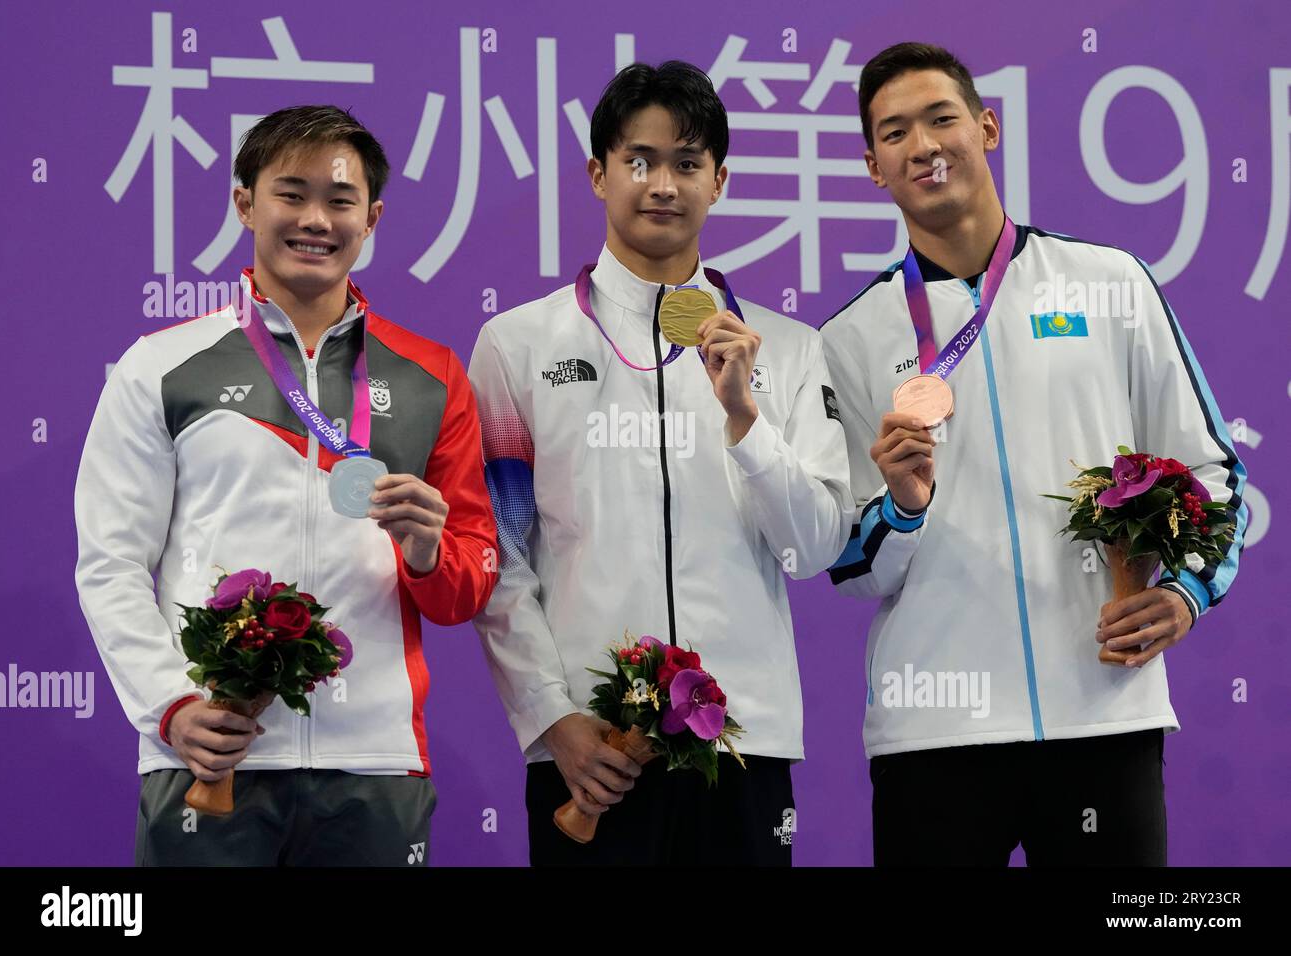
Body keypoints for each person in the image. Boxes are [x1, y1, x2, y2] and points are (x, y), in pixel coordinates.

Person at [820, 42, 1248, 866]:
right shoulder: (852, 338)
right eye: (896, 132)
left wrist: (1190, 589)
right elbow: (845, 559)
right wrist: (902, 507)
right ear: (874, 166)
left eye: (942, 118)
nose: (924, 144)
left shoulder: (1110, 284)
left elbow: (1212, 470)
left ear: (987, 127)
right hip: (933, 730)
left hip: (1103, 711)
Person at [75, 105, 497, 866]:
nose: (315, 220)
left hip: (374, 764)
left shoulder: (433, 376)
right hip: (210, 758)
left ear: (371, 218)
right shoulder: (161, 364)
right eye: (290, 194)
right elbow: (109, 562)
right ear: (246, 203)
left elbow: (466, 590)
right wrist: (171, 707)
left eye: (340, 201)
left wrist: (428, 553)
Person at [469, 61, 854, 865]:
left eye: (686, 163)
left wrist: (746, 424)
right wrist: (552, 718)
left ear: (719, 180)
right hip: (594, 752)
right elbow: (497, 556)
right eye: (639, 160)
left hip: (742, 745)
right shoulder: (519, 345)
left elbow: (815, 547)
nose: (663, 184)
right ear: (598, 173)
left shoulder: (786, 347)